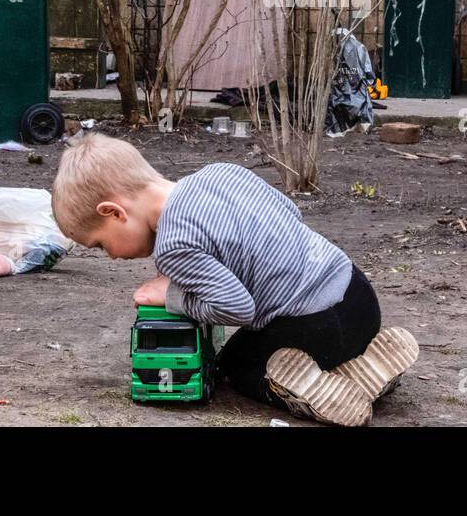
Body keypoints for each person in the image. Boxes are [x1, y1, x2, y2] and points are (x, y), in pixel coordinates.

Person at [52, 133, 418, 426]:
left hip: (315, 326)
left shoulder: (174, 245)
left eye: (101, 245)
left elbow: (238, 307)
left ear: (114, 212)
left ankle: (313, 390)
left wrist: (172, 294)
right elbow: (289, 211)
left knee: (236, 365)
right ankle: (356, 369)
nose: (112, 255)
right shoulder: (218, 172)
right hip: (358, 297)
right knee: (297, 340)